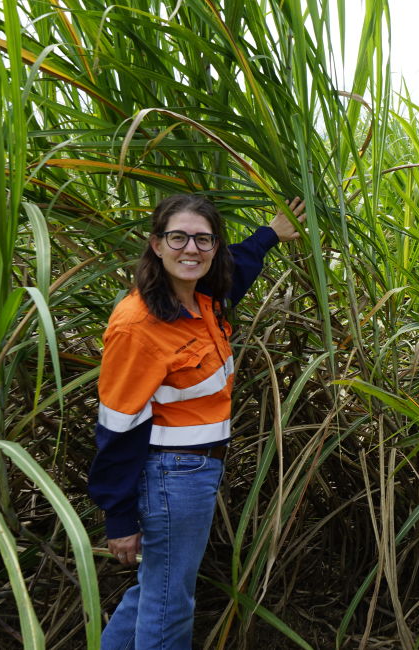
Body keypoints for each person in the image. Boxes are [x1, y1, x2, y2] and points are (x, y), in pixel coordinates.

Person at [88, 193, 305, 649]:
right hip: (171, 477)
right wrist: (119, 517)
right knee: (169, 604)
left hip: (194, 472)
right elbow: (116, 426)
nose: (191, 249)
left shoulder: (202, 300)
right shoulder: (138, 324)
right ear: (156, 244)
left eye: (203, 240)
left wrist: (269, 234)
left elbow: (236, 269)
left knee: (159, 588)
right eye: (178, 238)